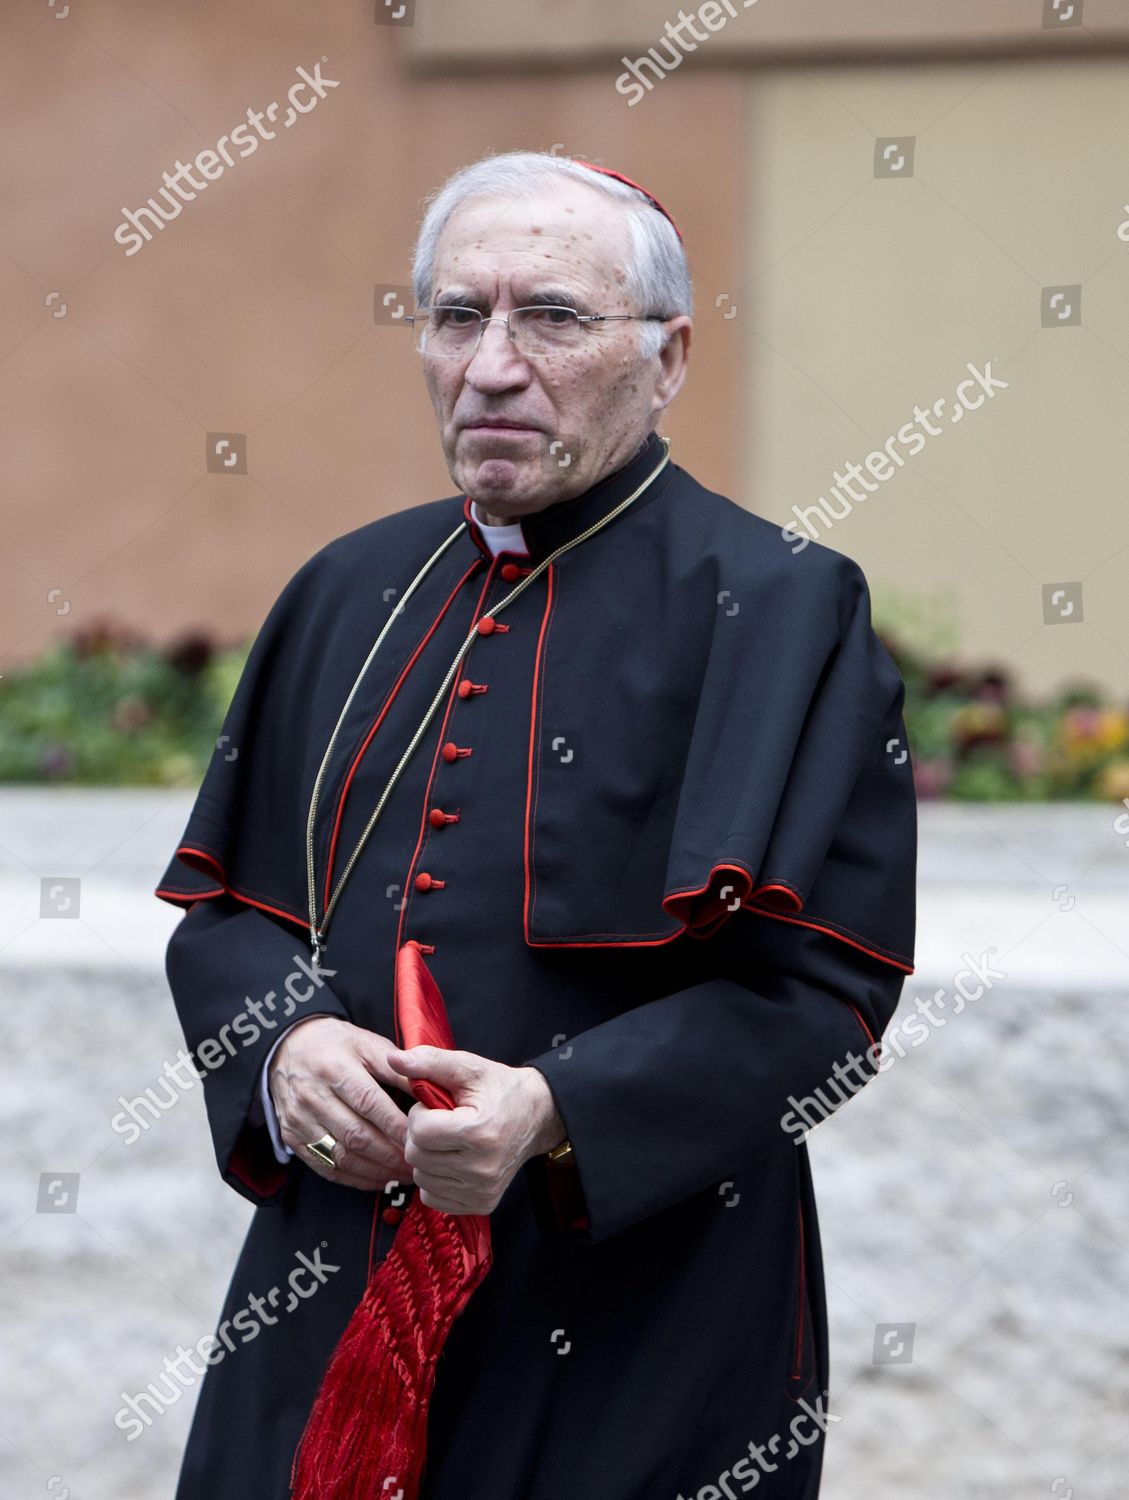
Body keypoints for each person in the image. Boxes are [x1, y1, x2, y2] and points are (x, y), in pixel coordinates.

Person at [156, 149, 916, 1500]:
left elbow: (825, 998)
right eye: (456, 317)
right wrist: (284, 1052)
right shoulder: (346, 586)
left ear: (668, 357)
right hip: (330, 1278)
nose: (492, 366)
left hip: (640, 1305)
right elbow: (230, 912)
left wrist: (556, 1109)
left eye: (553, 318)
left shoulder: (782, 604)